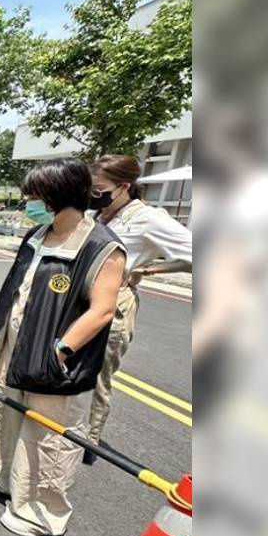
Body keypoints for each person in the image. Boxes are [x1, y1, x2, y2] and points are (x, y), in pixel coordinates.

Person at [0, 158, 126, 536]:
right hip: (16, 343)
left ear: (58, 196)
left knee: (48, 432)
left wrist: (62, 350)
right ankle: (0, 475)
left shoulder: (101, 247)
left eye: (34, 196)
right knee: (4, 410)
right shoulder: (38, 235)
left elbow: (102, 310)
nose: (28, 204)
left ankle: (39, 512)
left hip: (55, 353)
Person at [83, 155, 192, 462]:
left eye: (100, 188)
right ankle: (67, 431)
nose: (95, 194)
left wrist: (153, 270)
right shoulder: (100, 215)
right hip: (83, 301)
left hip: (114, 303)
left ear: (124, 186)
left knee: (97, 375)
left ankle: (87, 442)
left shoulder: (149, 218)